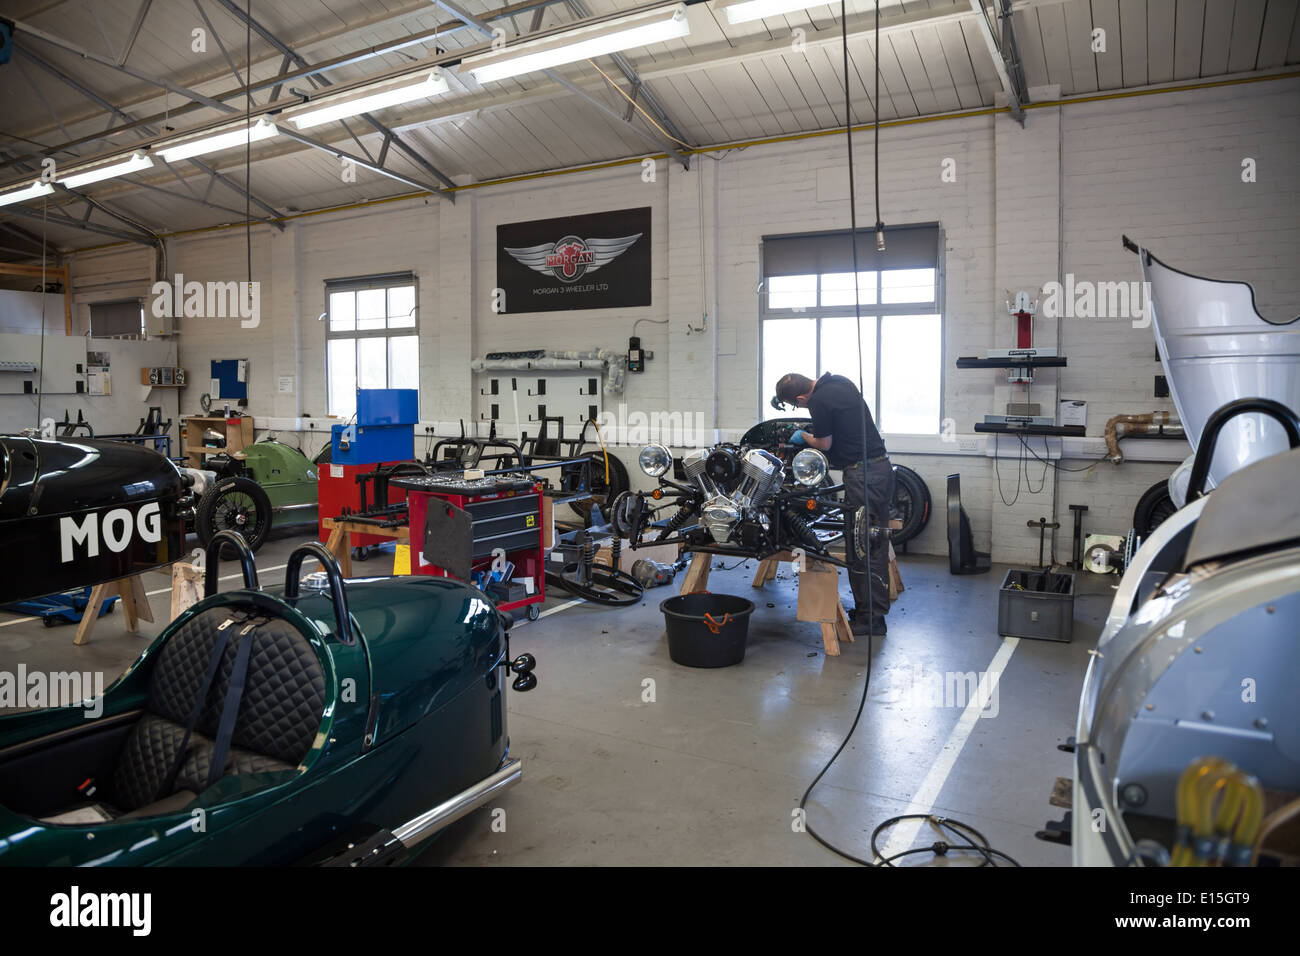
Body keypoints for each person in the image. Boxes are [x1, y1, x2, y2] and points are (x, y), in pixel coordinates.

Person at [775, 371, 894, 636]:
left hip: (864, 475)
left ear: (802, 397)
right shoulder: (839, 381)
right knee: (869, 544)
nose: (801, 408)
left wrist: (802, 437)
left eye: (797, 405)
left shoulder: (818, 400)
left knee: (863, 546)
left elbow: (824, 443)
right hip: (878, 470)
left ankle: (872, 620)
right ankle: (869, 610)